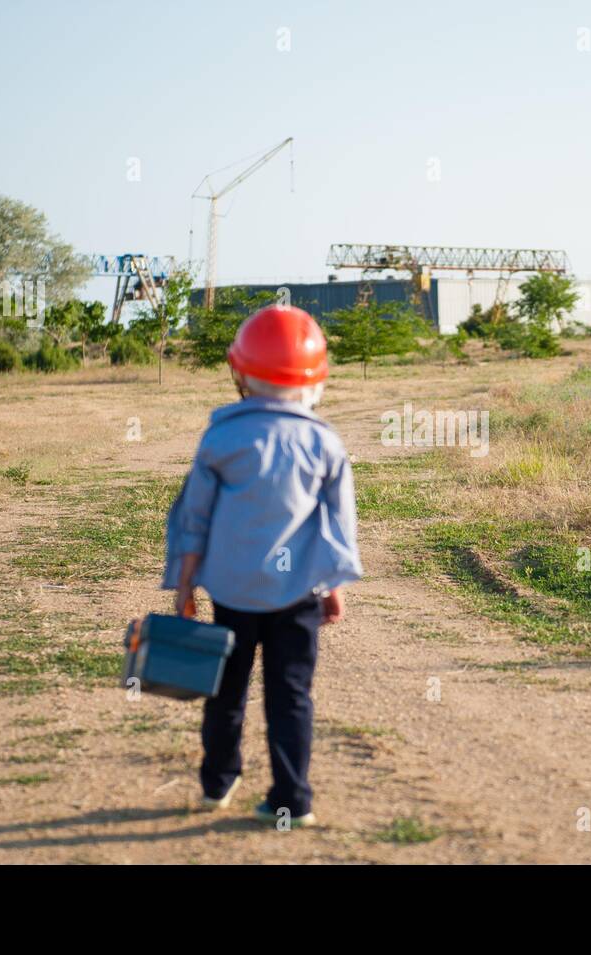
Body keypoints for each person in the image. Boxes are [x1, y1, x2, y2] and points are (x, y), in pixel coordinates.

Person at [162, 304, 362, 827]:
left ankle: (217, 784)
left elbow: (194, 519)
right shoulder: (325, 442)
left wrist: (184, 586)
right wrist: (334, 585)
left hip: (232, 592)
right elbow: (337, 526)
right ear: (316, 377)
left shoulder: (222, 438)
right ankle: (292, 799)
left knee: (226, 691)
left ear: (239, 370)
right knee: (290, 695)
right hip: (299, 596)